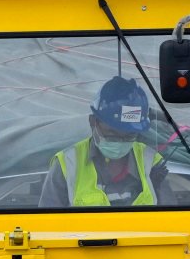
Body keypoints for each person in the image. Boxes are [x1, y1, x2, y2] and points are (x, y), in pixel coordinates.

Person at [40, 76, 171, 208]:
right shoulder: (67, 164)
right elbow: (46, 223)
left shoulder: (152, 163)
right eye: (112, 133)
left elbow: (172, 219)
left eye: (129, 135)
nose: (120, 142)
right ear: (93, 122)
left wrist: (155, 187)